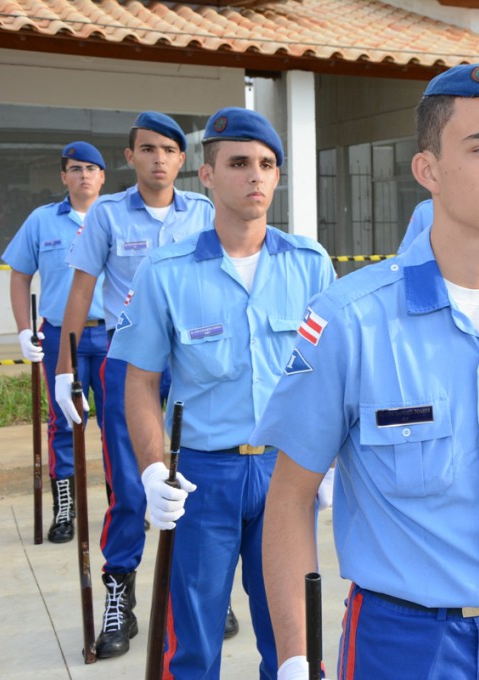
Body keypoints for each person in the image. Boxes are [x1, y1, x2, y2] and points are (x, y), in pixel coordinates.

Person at [255, 63, 479, 680]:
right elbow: (290, 497)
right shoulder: (351, 320)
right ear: (428, 171)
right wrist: (295, 658)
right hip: (404, 643)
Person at [108, 107, 335, 678]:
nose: (254, 176)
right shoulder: (166, 271)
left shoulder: (310, 266)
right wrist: (154, 470)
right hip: (202, 479)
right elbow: (140, 381)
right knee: (194, 642)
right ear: (206, 177)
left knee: (291, 647)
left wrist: (333, 460)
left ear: (277, 177)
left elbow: (330, 374)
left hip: (287, 475)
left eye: (266, 164)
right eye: (238, 163)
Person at [54, 112, 216, 658]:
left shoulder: (203, 213)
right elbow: (81, 291)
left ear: (183, 160)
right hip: (127, 363)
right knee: (130, 485)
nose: (158, 160)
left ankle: (201, 593)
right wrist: (64, 369)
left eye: (169, 150)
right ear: (130, 157)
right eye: (147, 149)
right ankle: (119, 594)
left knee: (198, 477)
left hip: (192, 363)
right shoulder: (106, 215)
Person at [2, 142, 108, 544]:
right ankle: (64, 508)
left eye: (91, 169)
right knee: (63, 422)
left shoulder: (116, 218)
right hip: (61, 337)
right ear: (64, 176)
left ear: (102, 177)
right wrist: (21, 329)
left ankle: (124, 504)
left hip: (113, 335)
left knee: (118, 423)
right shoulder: (42, 221)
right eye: (75, 168)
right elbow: (19, 274)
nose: (84, 175)